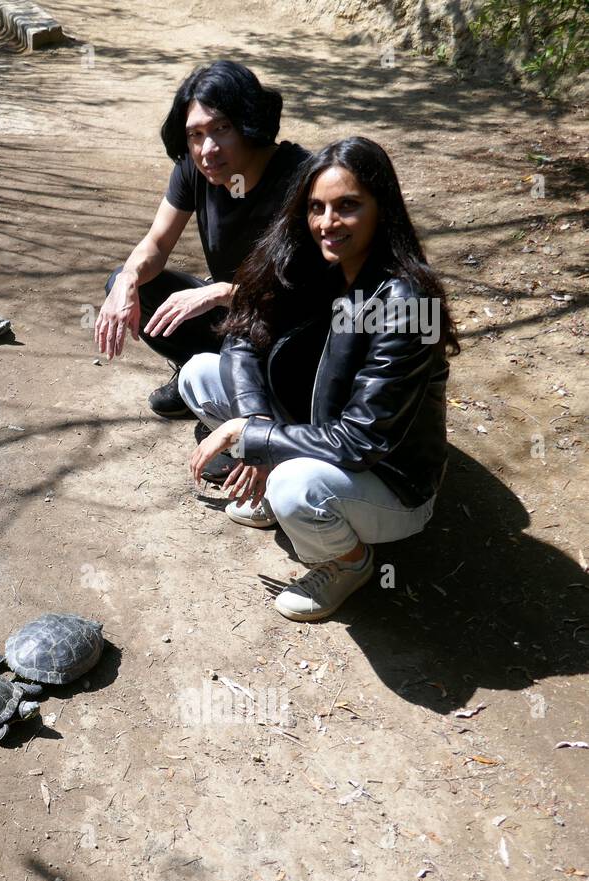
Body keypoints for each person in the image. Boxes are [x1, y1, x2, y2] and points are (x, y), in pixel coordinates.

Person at [182, 136, 458, 621]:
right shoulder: (314, 263)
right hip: (319, 425)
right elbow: (244, 335)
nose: (328, 223)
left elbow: (363, 439)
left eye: (347, 206)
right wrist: (256, 420)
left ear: (381, 207)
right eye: (316, 208)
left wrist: (256, 438)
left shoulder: (408, 303)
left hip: (391, 478)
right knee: (201, 374)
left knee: (294, 484)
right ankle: (275, 491)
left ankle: (349, 562)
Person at [93, 60, 310, 423]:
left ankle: (251, 407)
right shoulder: (194, 169)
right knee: (128, 283)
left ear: (249, 122)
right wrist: (129, 279)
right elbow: (157, 244)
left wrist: (222, 292)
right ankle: (197, 370)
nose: (208, 148)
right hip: (234, 314)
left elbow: (309, 294)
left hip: (287, 326)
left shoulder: (303, 180)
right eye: (195, 135)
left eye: (221, 128)